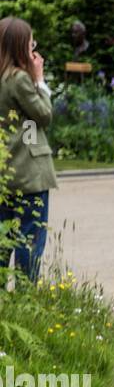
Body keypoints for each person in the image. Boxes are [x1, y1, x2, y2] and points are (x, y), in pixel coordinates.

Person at [0, 16, 56, 279]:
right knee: (29, 235)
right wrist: (39, 79)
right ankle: (25, 294)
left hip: (5, 169)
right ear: (22, 46)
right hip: (28, 170)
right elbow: (43, 115)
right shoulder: (19, 80)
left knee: (4, 236)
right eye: (31, 43)